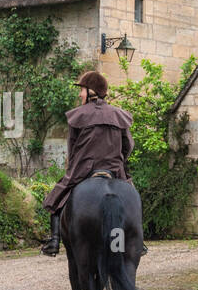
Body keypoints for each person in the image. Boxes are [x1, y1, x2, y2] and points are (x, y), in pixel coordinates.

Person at [40, 70, 133, 256]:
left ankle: (54, 241)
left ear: (91, 91)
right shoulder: (118, 115)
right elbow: (128, 146)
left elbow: (72, 149)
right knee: (132, 199)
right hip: (114, 170)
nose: (79, 94)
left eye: (82, 90)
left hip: (83, 169)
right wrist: (117, 160)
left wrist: (75, 166)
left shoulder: (78, 116)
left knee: (59, 197)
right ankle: (135, 240)